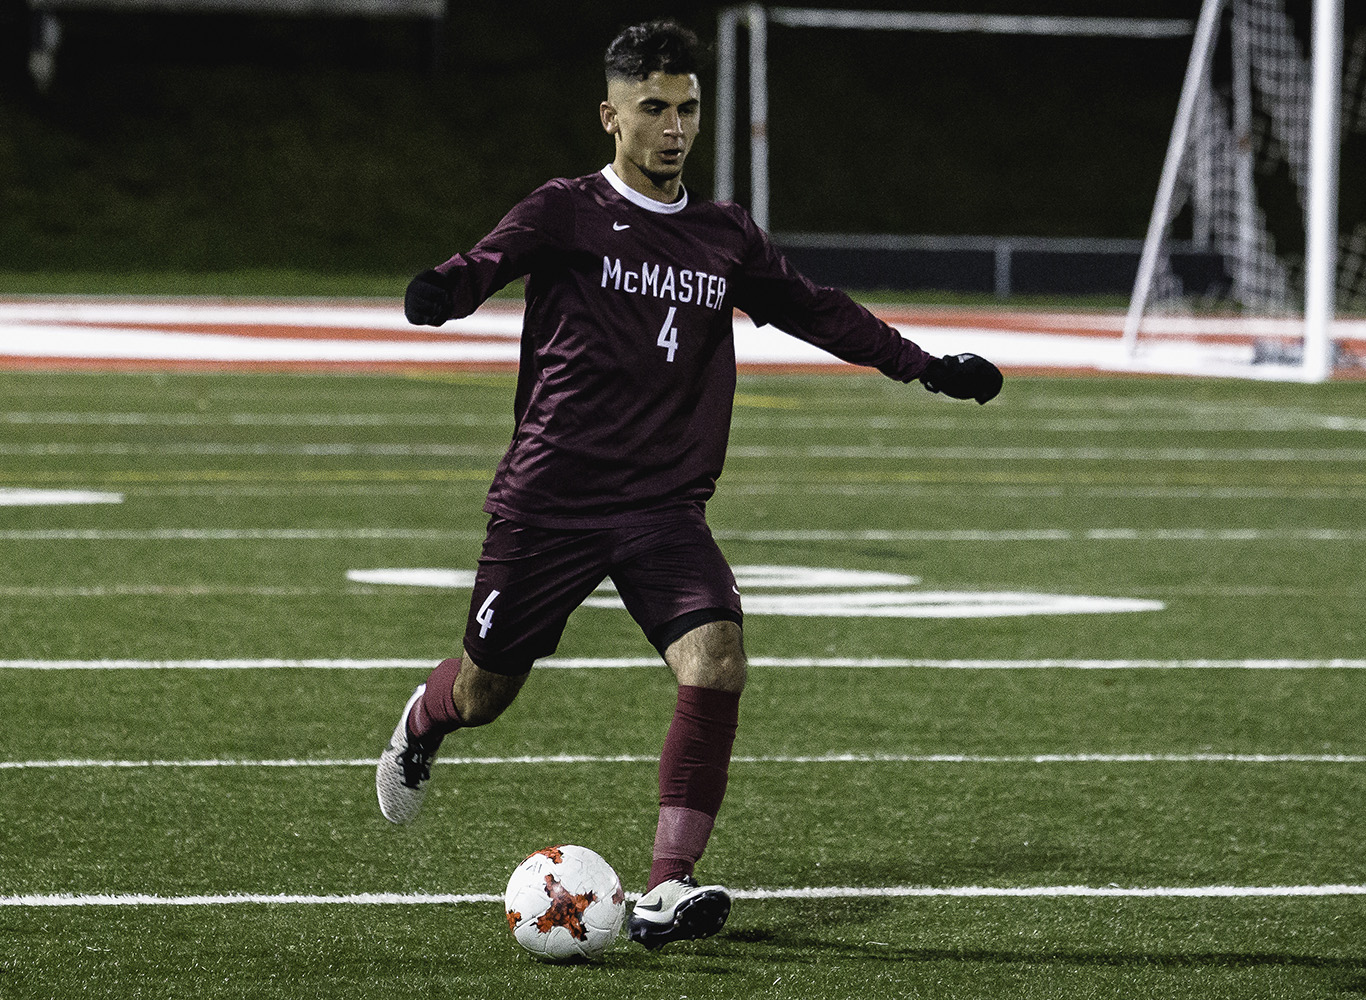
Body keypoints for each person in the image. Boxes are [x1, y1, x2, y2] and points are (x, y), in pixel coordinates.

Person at [375, 18, 1002, 950]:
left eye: (688, 109)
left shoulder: (724, 236)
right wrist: (445, 290)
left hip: (664, 508)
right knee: (486, 691)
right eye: (654, 108)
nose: (675, 127)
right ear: (610, 116)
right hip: (550, 501)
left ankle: (669, 886)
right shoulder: (566, 210)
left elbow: (818, 311)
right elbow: (487, 261)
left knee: (716, 660)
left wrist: (923, 366)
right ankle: (424, 723)